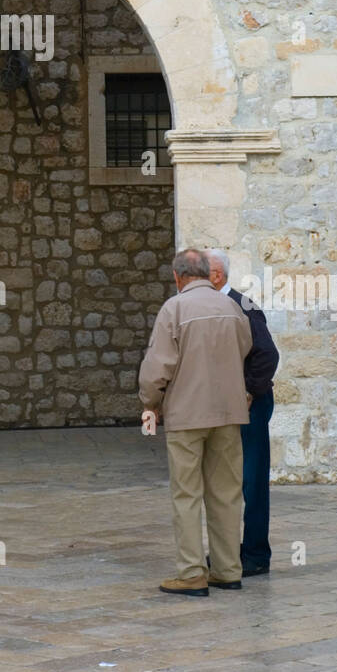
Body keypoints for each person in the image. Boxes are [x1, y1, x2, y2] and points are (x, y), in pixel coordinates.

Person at [139, 248, 252, 597]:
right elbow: (246, 349)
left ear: (177, 276)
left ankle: (191, 573)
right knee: (227, 494)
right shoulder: (232, 307)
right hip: (229, 412)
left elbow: (158, 366)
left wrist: (151, 404)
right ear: (207, 273)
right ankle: (228, 569)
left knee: (187, 494)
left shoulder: (174, 309)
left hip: (188, 413)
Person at [206, 249, 279, 578]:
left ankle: (255, 555)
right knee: (227, 480)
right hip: (225, 406)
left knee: (251, 479)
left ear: (216, 275)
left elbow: (267, 354)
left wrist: (249, 390)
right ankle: (231, 551)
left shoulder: (243, 305)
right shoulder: (210, 307)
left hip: (250, 405)